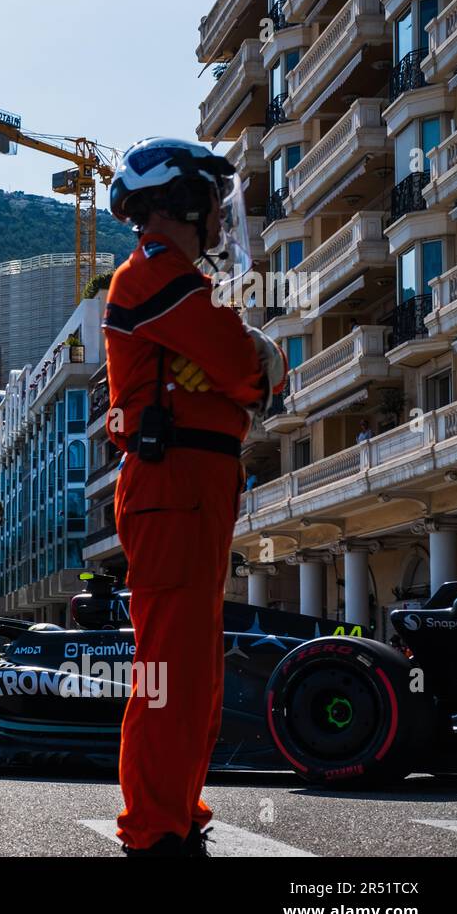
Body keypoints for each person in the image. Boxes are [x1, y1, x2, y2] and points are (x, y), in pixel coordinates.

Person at [105, 137, 287, 857]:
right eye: (214, 197)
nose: (221, 213)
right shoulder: (155, 274)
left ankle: (176, 810)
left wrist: (241, 364)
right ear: (182, 199)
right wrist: (248, 360)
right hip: (174, 481)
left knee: (194, 668)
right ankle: (154, 827)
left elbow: (241, 371)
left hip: (196, 484)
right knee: (170, 669)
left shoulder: (176, 281)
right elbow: (249, 370)